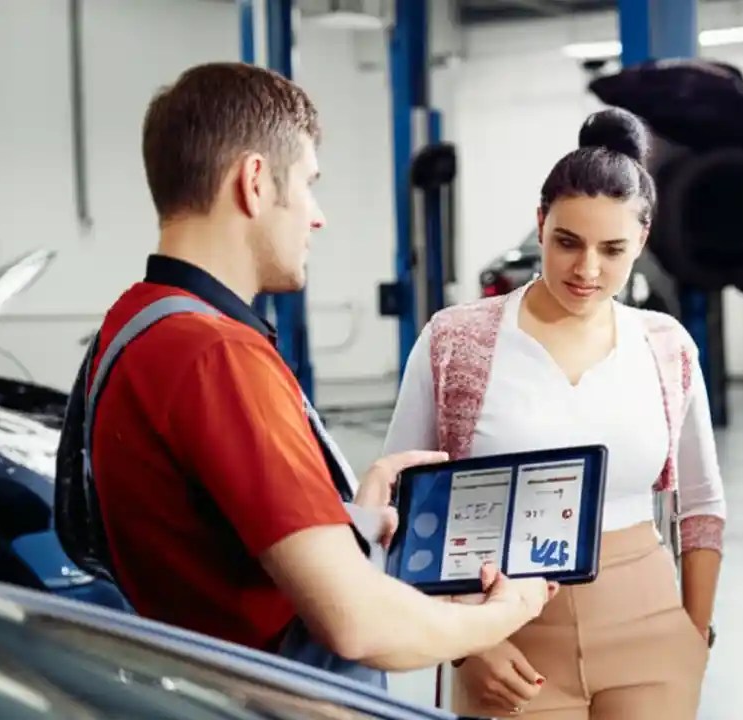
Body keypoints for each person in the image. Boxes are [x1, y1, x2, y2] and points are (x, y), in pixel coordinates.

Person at [53, 62, 556, 688]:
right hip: (278, 698)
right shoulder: (217, 356)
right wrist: (506, 611)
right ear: (254, 183)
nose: (317, 216)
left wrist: (347, 522)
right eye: (309, 184)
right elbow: (357, 624)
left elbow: (210, 545)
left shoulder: (133, 322)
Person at [382, 107, 726, 719]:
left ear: (642, 239)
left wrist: (694, 634)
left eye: (612, 249)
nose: (587, 270)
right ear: (540, 223)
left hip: (650, 632)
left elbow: (701, 503)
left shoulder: (665, 346)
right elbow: (401, 504)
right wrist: (466, 642)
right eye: (567, 242)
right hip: (503, 639)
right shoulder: (457, 340)